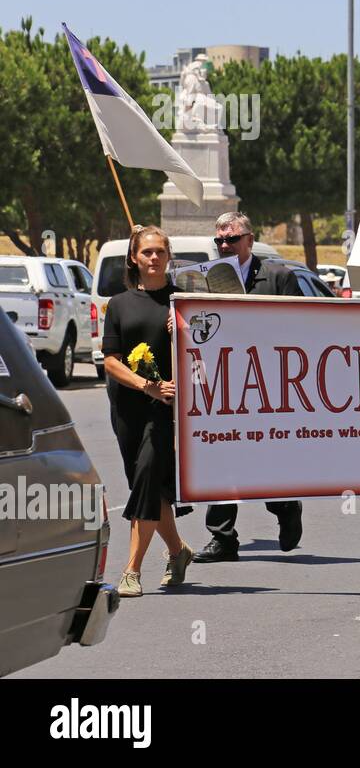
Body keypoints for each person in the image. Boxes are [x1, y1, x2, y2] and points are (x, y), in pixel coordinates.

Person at [193, 212, 305, 564]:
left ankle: (286, 507)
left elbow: (302, 324)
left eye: (232, 239)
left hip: (269, 382)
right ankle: (223, 537)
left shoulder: (278, 276)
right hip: (225, 382)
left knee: (269, 456)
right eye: (220, 240)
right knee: (223, 457)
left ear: (250, 240)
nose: (225, 245)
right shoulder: (203, 281)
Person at [103, 226, 193, 597]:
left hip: (168, 408)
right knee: (150, 485)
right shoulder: (119, 304)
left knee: (146, 474)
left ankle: (131, 570)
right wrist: (145, 385)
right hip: (127, 407)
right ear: (134, 259)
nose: (154, 258)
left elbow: (217, 341)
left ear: (169, 256)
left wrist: (188, 327)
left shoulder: (183, 301)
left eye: (160, 251)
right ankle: (178, 551)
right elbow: (110, 361)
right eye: (147, 253)